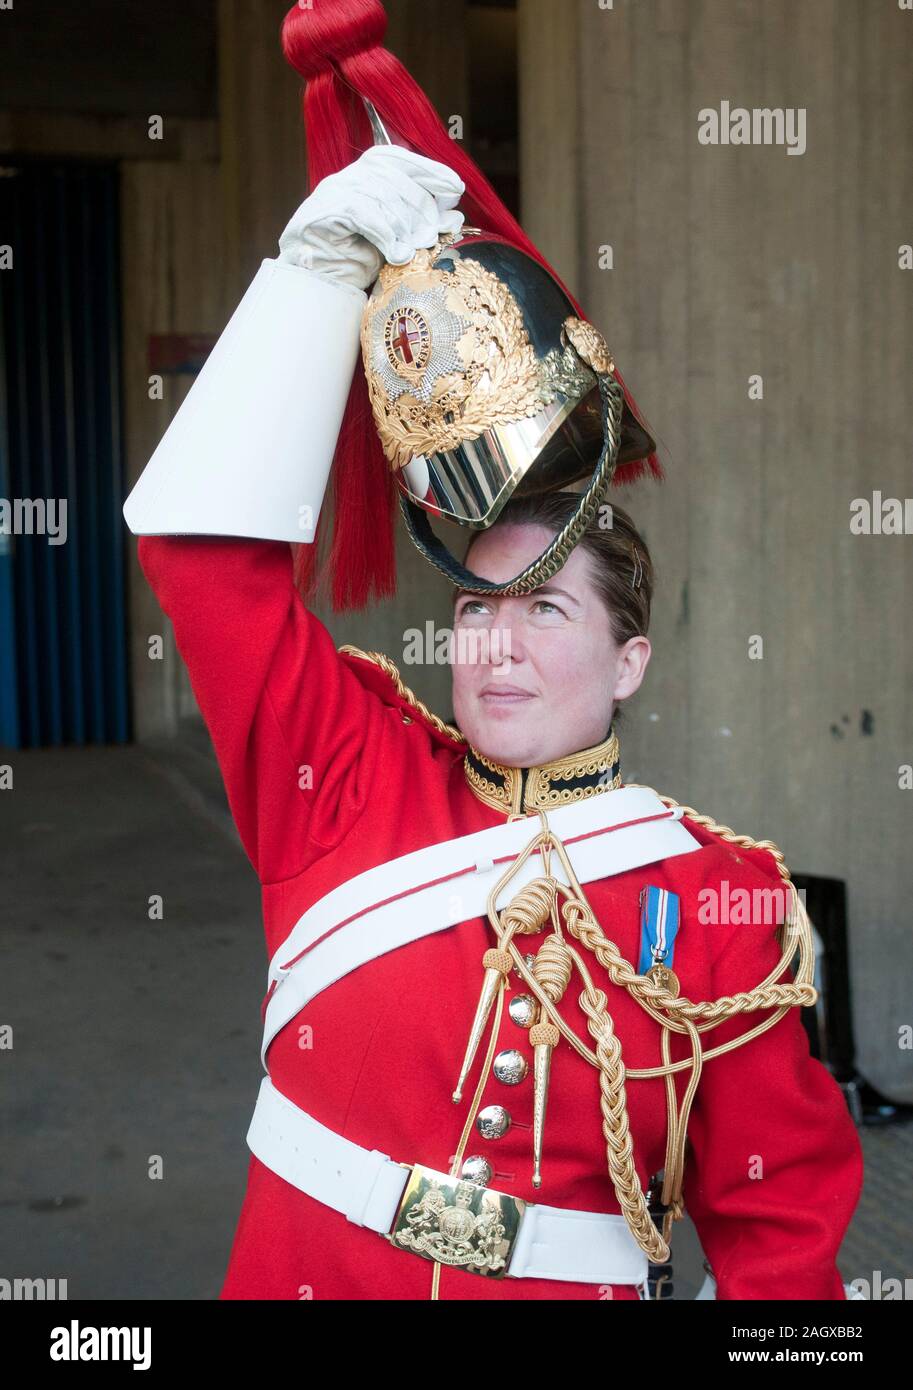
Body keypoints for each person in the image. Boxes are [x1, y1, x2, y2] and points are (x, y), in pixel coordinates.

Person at [124, 9, 863, 1299]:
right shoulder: (347, 768)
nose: (498, 645)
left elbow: (778, 1230)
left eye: (548, 611)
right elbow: (201, 559)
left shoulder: (726, 910)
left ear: (631, 661)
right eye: (478, 610)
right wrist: (311, 287)